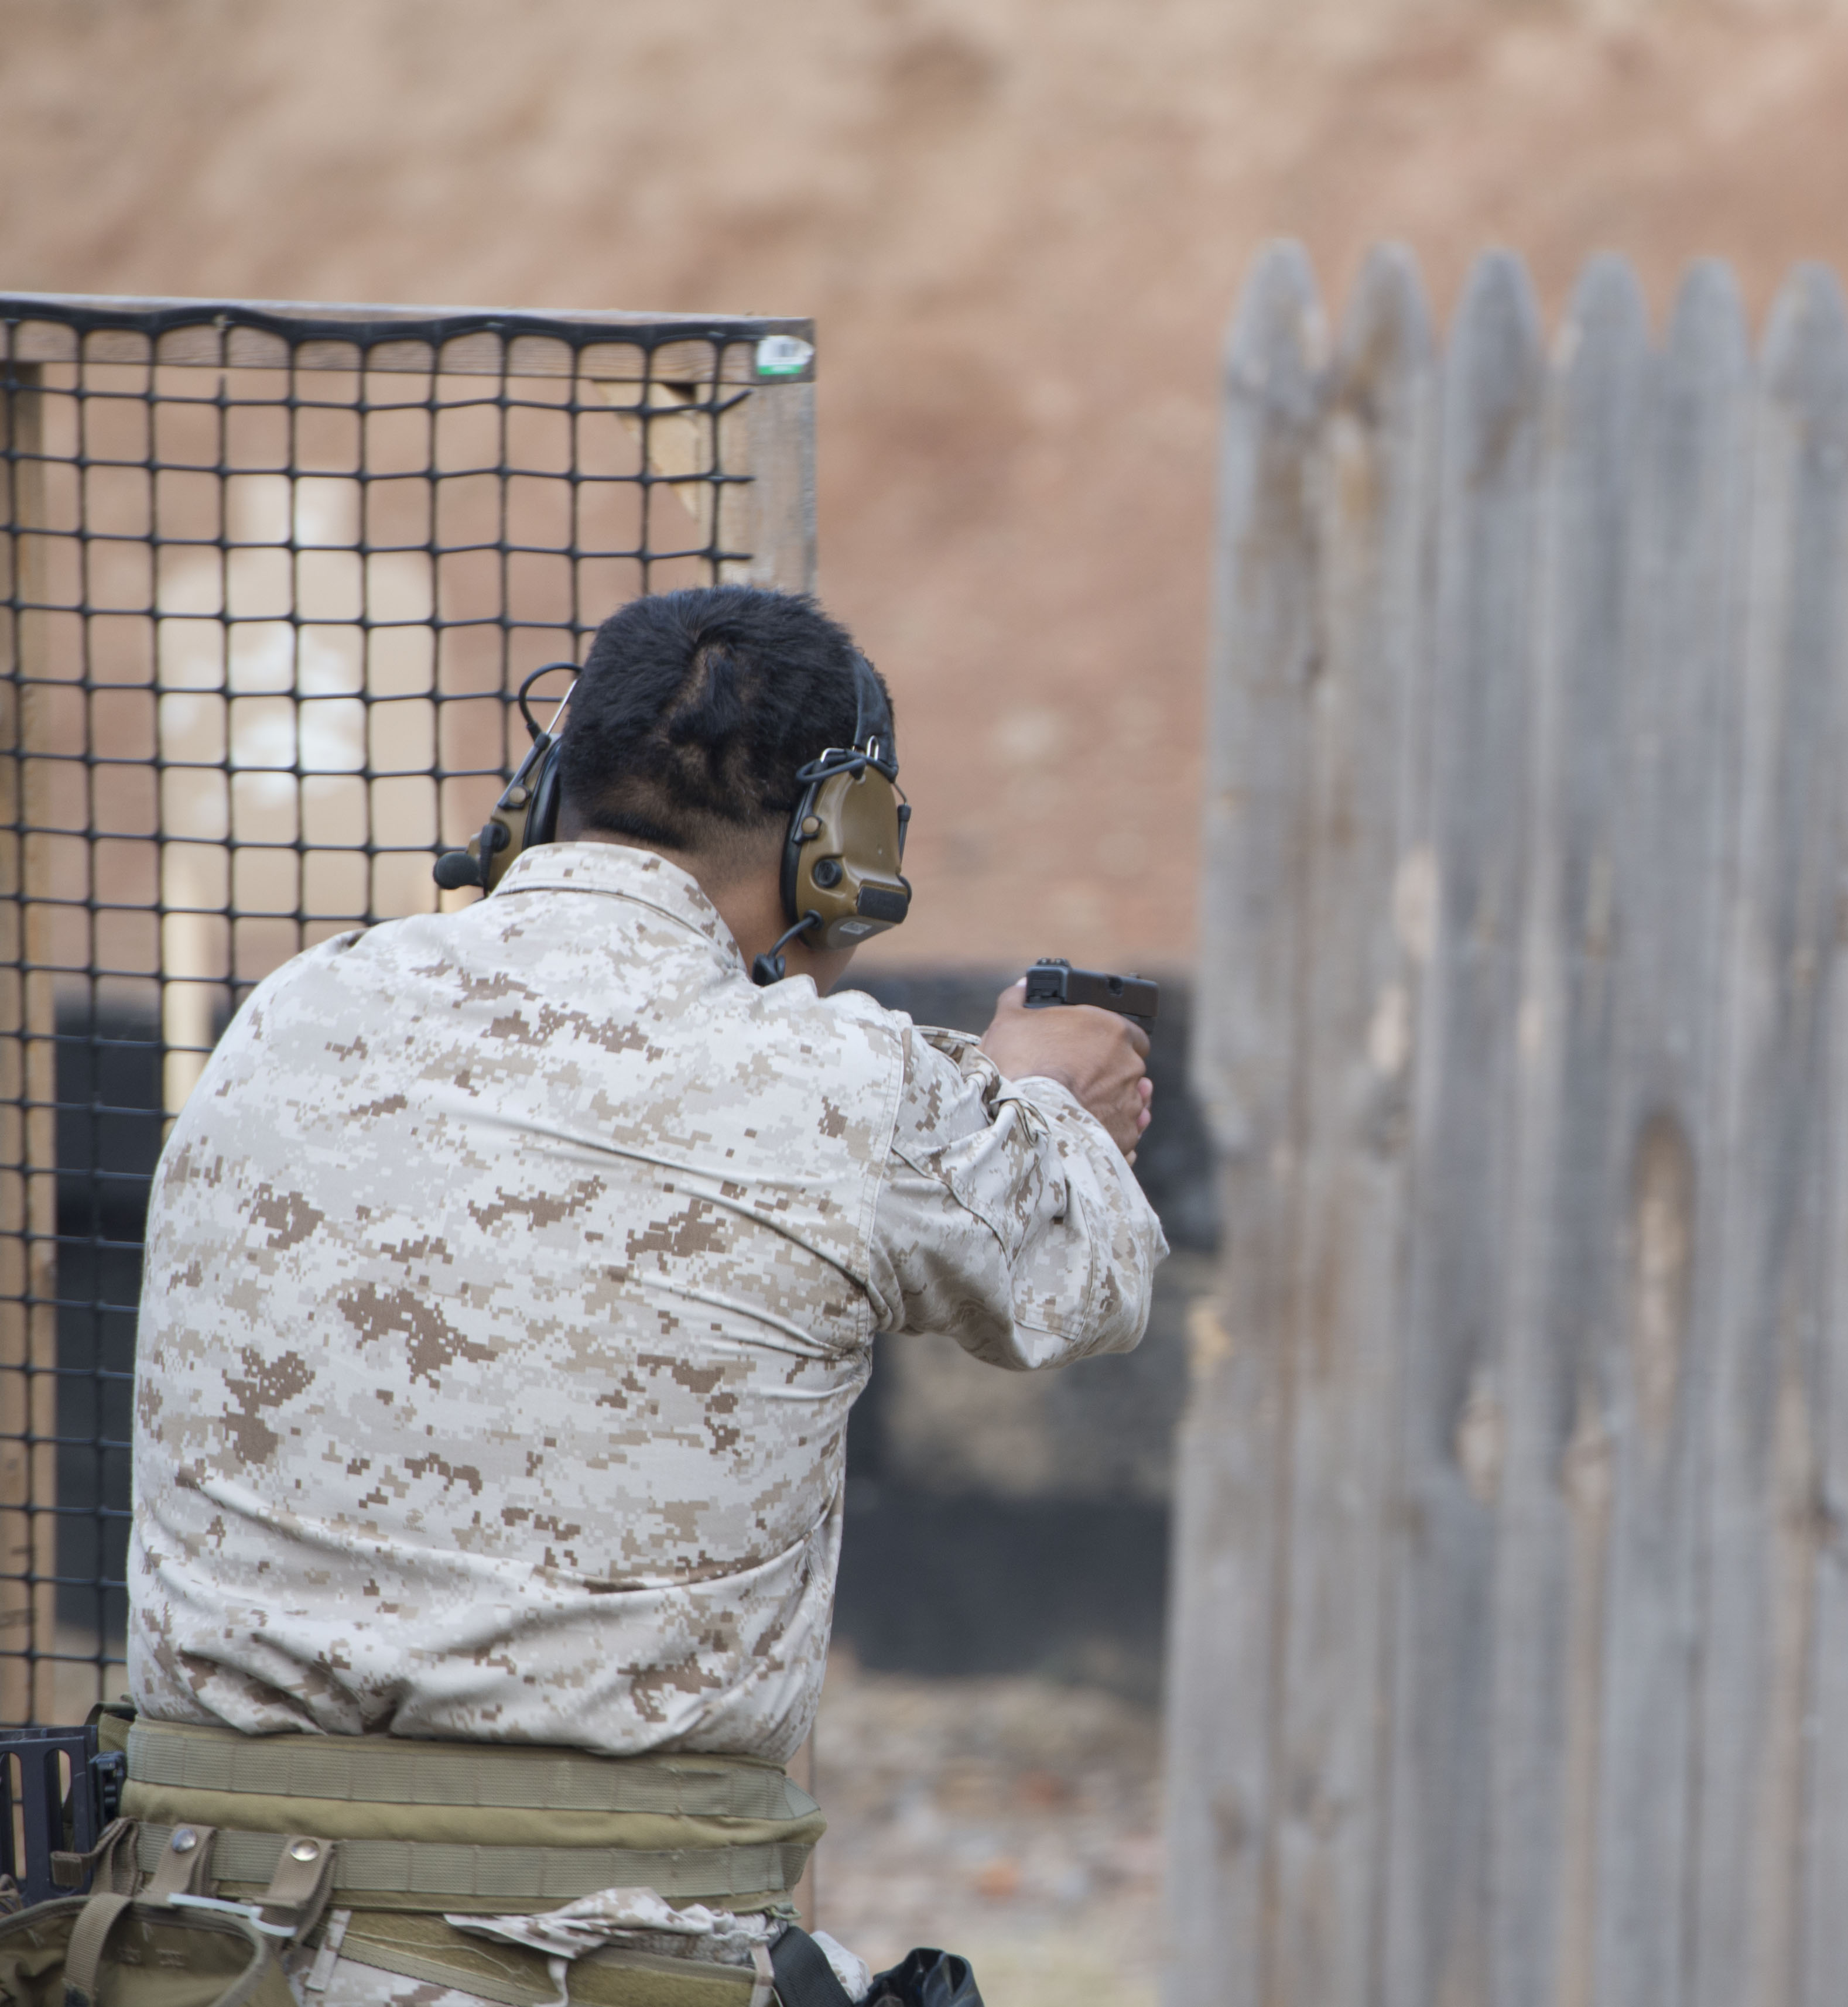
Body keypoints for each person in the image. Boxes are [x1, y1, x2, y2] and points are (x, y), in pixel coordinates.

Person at [77, 586, 1162, 2005]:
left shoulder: (293, 1007)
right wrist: (1040, 1102)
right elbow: (1086, 1273)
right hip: (589, 1955)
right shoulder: (844, 1093)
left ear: (546, 790)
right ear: (843, 848)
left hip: (192, 1948)